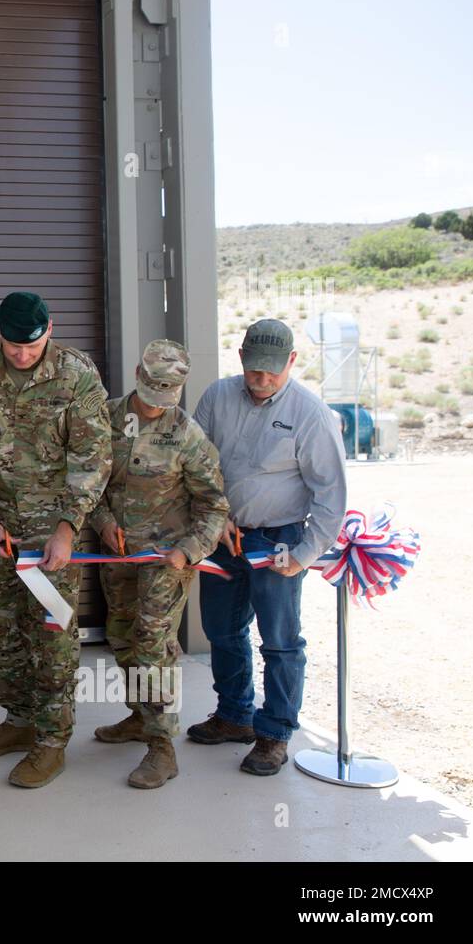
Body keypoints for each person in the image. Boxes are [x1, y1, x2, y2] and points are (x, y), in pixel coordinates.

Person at [0, 291, 111, 788]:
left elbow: (93, 459)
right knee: (1, 628)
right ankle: (18, 721)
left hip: (53, 529)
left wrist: (69, 527)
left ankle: (51, 739)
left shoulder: (76, 374)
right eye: (12, 346)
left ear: (50, 329)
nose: (22, 355)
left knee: (51, 632)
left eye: (32, 344)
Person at [190, 318, 346, 775]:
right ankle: (234, 715)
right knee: (222, 630)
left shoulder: (310, 414)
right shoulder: (217, 396)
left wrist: (303, 555)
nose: (261, 380)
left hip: (278, 540)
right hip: (223, 536)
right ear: (240, 358)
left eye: (272, 372)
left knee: (279, 641)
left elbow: (331, 495)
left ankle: (274, 733)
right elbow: (196, 466)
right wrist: (214, 519)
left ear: (292, 362)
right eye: (254, 370)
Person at [87, 340, 228, 788]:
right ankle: (139, 717)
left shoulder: (187, 435)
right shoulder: (104, 418)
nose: (154, 407)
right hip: (117, 555)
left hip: (166, 560)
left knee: (153, 645)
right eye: (150, 395)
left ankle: (162, 747)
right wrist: (103, 521)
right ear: (137, 375)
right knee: (122, 638)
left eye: (165, 398)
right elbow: (86, 483)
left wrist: (187, 551)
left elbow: (214, 506)